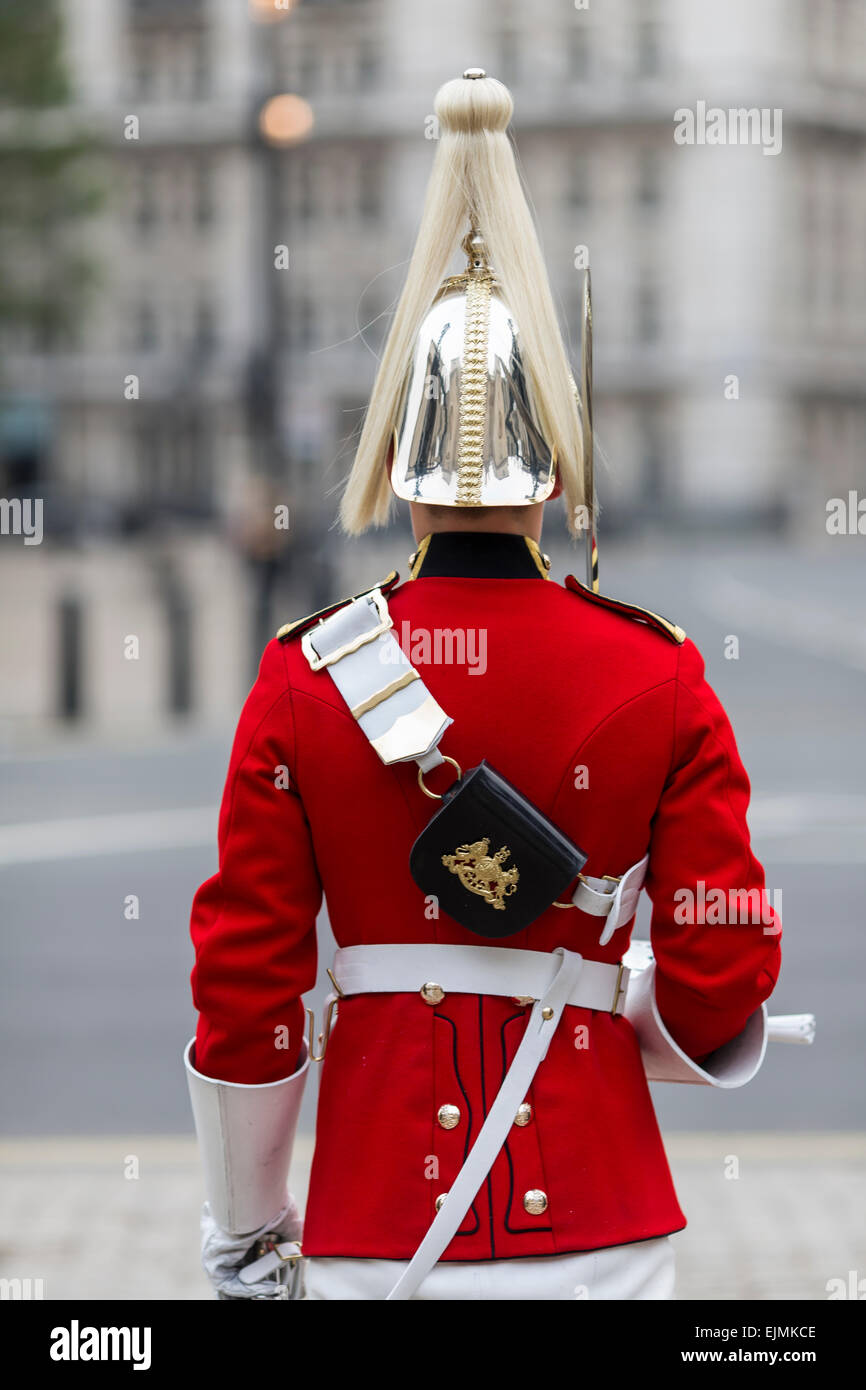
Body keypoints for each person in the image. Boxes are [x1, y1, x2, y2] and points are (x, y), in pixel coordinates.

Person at [183, 70, 782, 1301]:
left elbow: (247, 982)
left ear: (398, 471)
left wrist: (246, 1231)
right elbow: (722, 954)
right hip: (603, 1230)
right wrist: (612, 1013)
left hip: (372, 1228)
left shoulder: (307, 672)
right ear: (556, 476)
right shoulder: (657, 669)